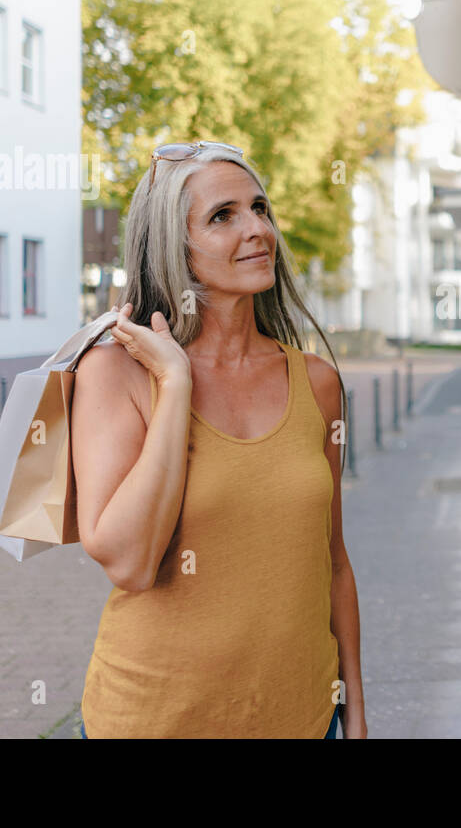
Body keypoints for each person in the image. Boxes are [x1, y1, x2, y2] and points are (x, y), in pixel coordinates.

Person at [71, 140, 366, 738]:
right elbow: (128, 562)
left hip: (303, 720)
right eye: (223, 216)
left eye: (260, 208)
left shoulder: (317, 383)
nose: (257, 229)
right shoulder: (115, 375)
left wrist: (353, 708)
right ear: (173, 248)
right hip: (153, 721)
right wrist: (175, 383)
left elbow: (332, 561)